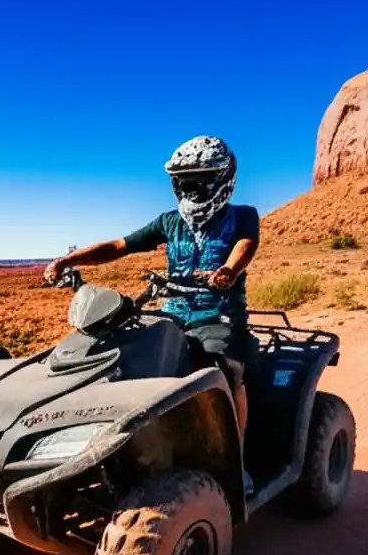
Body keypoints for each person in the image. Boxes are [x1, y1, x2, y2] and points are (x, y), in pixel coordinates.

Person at [44, 135, 260, 455]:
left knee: (226, 370)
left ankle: (236, 458)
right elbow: (119, 246)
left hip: (218, 312)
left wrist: (228, 270)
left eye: (196, 182)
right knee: (125, 354)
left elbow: (245, 245)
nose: (189, 190)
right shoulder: (168, 222)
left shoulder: (243, 215)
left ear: (220, 180)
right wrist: (67, 260)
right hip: (172, 311)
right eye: (183, 182)